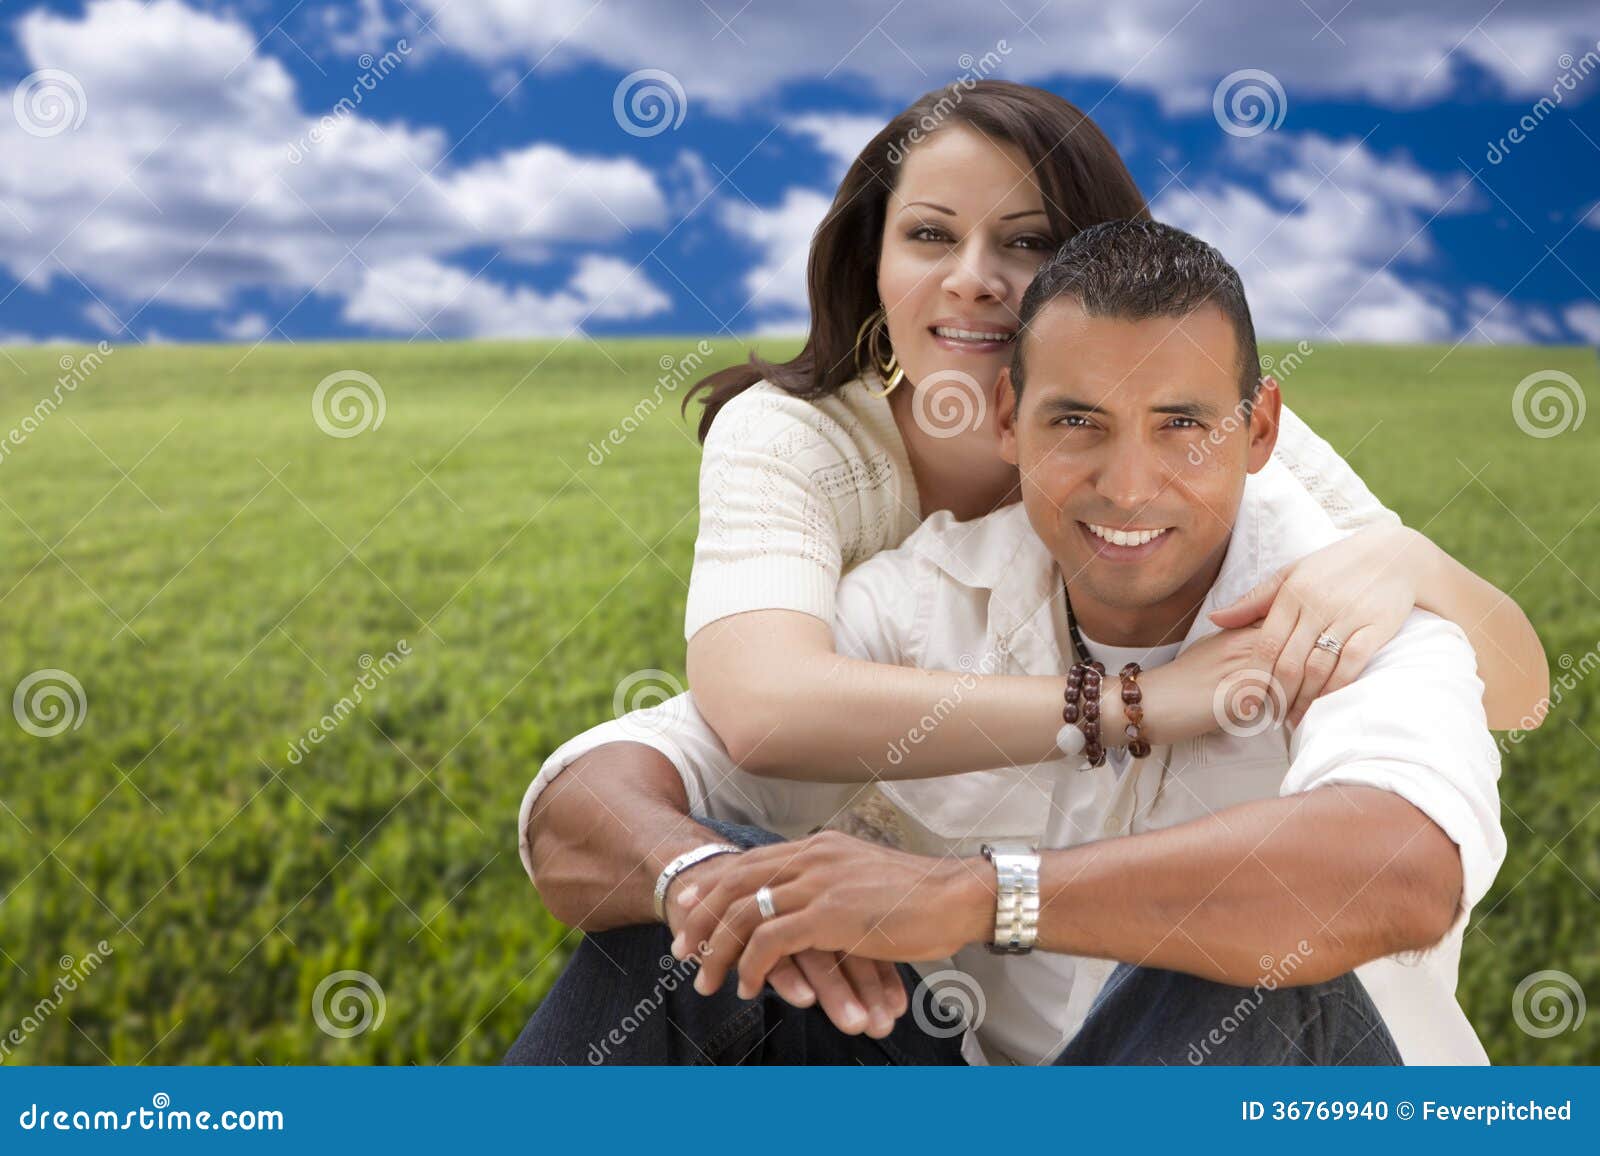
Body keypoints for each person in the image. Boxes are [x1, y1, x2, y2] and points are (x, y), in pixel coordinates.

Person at [507, 220, 1506, 1066]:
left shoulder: (1349, 604)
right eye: (1076, 420)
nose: (1128, 485)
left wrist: (978, 897)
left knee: (1251, 967)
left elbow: (1397, 870)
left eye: (1182, 426)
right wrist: (694, 879)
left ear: (1258, 431)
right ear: (1006, 422)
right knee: (701, 927)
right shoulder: (928, 599)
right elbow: (583, 805)